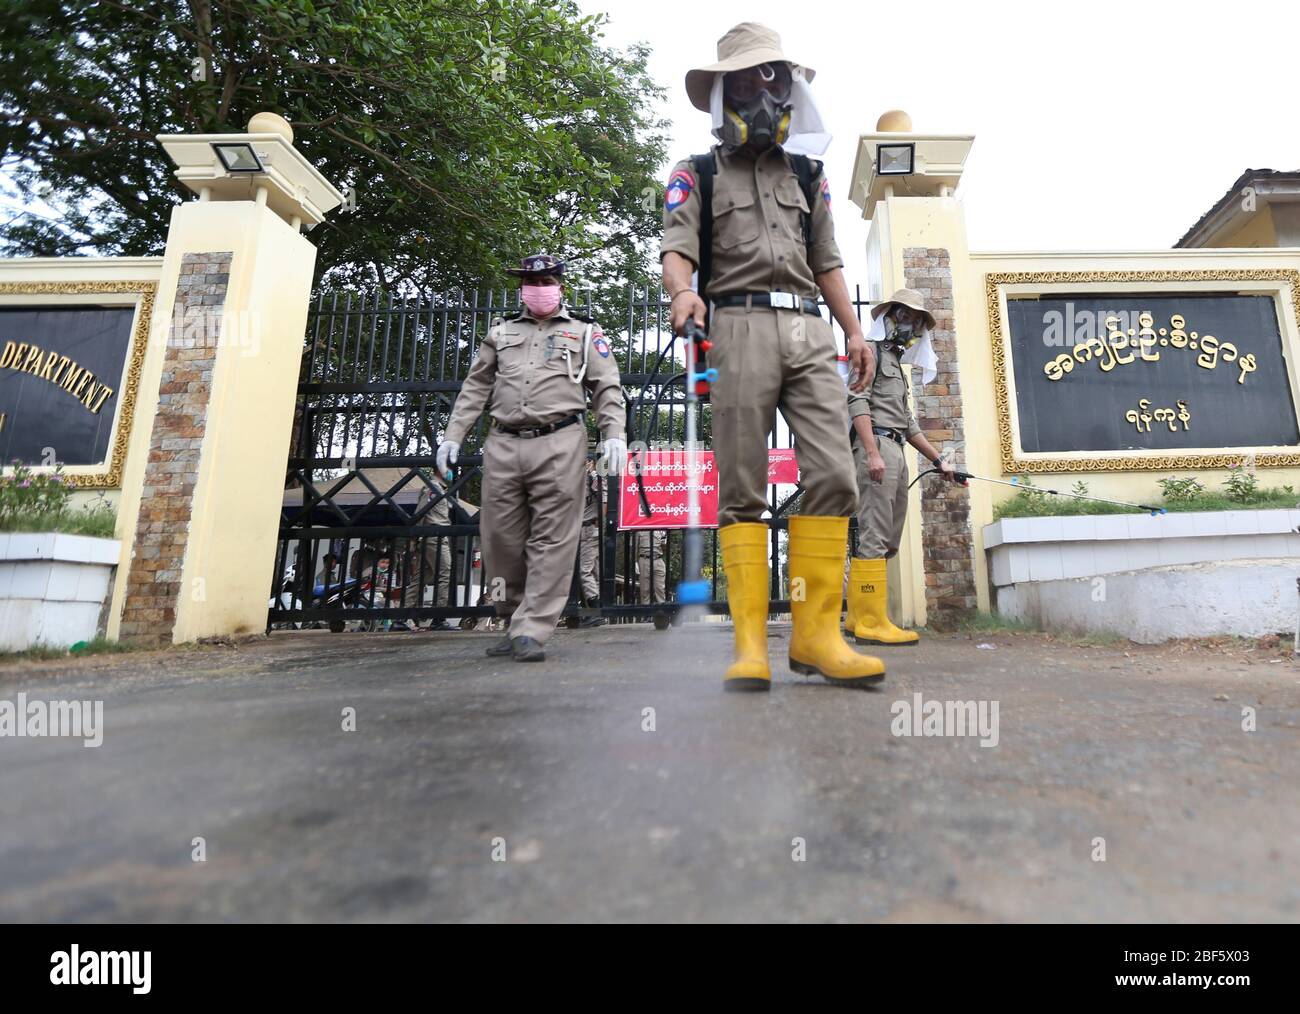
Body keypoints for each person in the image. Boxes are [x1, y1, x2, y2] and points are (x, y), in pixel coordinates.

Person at [660, 22, 883, 691]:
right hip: (736, 327)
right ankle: (750, 645)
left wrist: (855, 331)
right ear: (728, 87)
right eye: (757, 75)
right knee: (743, 490)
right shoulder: (694, 172)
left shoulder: (809, 175)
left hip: (810, 332)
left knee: (837, 476)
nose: (771, 86)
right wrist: (680, 294)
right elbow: (677, 248)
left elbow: (829, 261)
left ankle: (818, 636)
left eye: (778, 75)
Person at [437, 254, 626, 662]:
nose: (537, 287)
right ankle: (512, 616)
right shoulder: (500, 333)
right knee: (500, 537)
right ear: (521, 287)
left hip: (560, 440)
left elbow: (607, 387)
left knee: (553, 537)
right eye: (529, 280)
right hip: (503, 442)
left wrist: (613, 435)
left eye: (545, 280)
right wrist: (453, 436)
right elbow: (475, 388)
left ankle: (533, 629)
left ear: (559, 285)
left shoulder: (585, 332)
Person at [846, 288, 960, 645]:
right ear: (890, 316)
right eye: (906, 316)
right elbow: (856, 399)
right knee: (875, 535)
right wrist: (872, 451)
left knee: (890, 537)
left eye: (917, 321)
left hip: (895, 447)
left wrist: (939, 460)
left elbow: (908, 423)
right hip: (876, 446)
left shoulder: (895, 363)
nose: (911, 326)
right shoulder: (871, 353)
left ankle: (860, 617)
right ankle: (868, 622)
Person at [401, 472, 456, 631]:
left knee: (422, 577)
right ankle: (439, 617)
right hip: (434, 536)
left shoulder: (441, 490)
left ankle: (404, 615)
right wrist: (414, 536)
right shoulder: (433, 488)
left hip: (433, 537)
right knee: (444, 573)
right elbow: (420, 512)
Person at [576, 459, 606, 627]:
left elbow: (604, 498)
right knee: (594, 571)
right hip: (586, 529)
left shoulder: (594, 477)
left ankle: (594, 611)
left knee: (584, 571)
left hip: (589, 529)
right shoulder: (582, 479)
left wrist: (600, 523)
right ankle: (597, 610)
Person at [636, 529, 667, 605]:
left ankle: (662, 613)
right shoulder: (639, 530)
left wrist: (664, 540)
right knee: (645, 590)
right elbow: (634, 547)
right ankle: (646, 614)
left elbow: (665, 548)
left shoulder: (661, 529)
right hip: (644, 559)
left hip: (658, 559)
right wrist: (635, 562)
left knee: (660, 588)